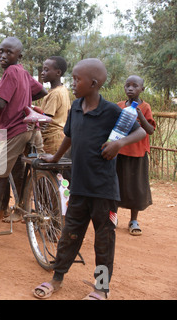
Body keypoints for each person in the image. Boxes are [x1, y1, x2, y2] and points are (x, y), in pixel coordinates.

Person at [32, 59, 146, 300]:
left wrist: (119, 143)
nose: (73, 83)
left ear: (93, 83)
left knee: (104, 241)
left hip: (104, 191)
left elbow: (141, 131)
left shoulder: (112, 111)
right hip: (80, 186)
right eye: (72, 78)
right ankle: (57, 278)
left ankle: (101, 289)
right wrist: (55, 157)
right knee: (69, 234)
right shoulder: (75, 107)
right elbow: (70, 137)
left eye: (77, 79)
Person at [0, 37, 47, 247]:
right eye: (1, 51)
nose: (3, 56)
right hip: (33, 129)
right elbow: (41, 91)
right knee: (40, 171)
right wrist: (23, 100)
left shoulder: (11, 72)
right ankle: (49, 212)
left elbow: (1, 102)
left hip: (14, 130)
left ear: (18, 56)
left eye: (8, 52)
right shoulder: (23, 72)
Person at [116, 75, 156, 236]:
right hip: (119, 152)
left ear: (142, 89)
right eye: (127, 85)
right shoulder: (119, 106)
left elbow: (150, 130)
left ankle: (133, 220)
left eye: (135, 86)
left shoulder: (145, 107)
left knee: (136, 187)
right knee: (116, 185)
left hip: (138, 153)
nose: (130, 89)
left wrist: (139, 115)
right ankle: (113, 217)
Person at [39, 56, 72, 154]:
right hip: (60, 136)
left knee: (47, 167)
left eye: (46, 70)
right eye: (42, 70)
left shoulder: (55, 93)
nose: (42, 73)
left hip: (52, 138)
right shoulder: (63, 90)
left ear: (58, 73)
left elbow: (46, 118)